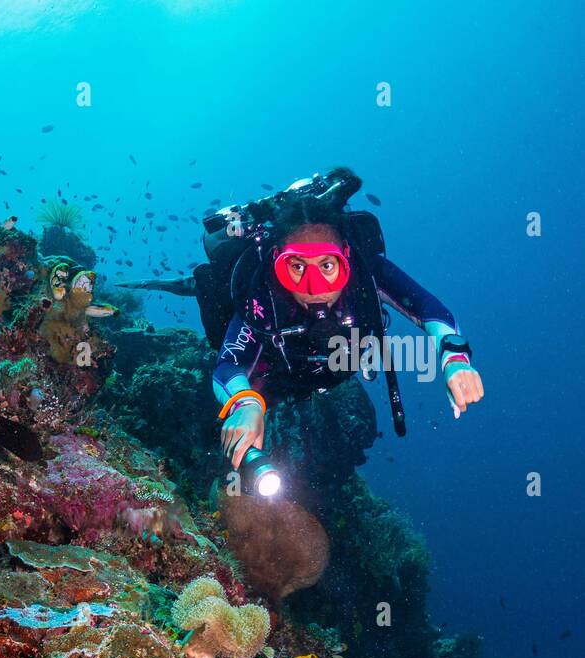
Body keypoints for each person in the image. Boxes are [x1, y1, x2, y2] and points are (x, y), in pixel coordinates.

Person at [121, 169, 485, 471]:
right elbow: (228, 364)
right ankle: (183, 285)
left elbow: (432, 310)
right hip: (278, 376)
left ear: (346, 258)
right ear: (277, 262)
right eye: (296, 267)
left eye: (327, 266)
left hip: (336, 364)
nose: (313, 287)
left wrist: (453, 357)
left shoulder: (366, 269)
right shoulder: (262, 292)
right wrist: (246, 404)